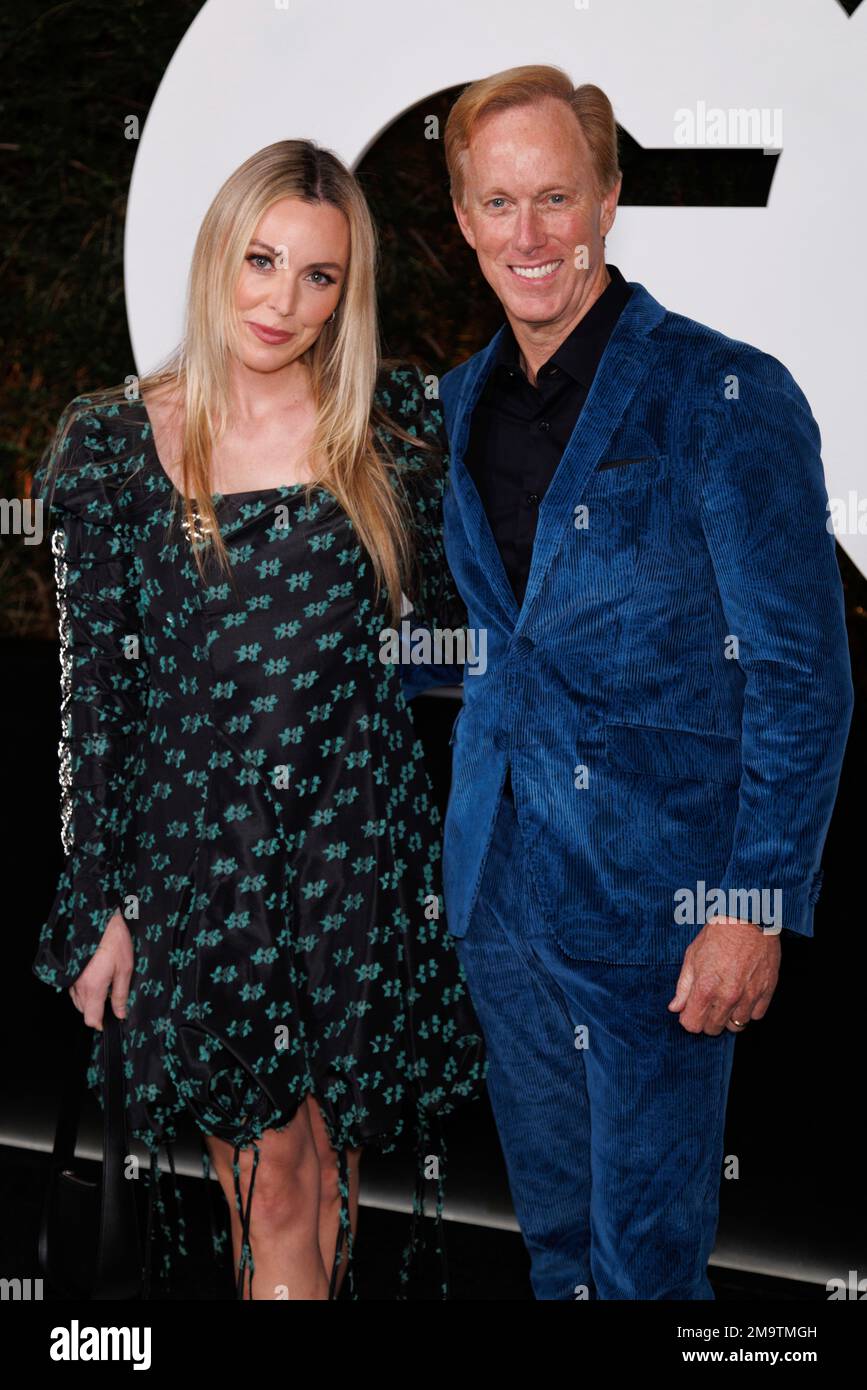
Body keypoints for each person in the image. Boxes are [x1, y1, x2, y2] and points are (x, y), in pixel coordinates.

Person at [31, 138, 485, 1301]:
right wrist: (100, 900)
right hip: (205, 870)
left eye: (320, 276)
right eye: (262, 260)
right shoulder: (113, 446)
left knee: (323, 1177)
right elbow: (96, 699)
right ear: (217, 258)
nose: (284, 301)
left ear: (349, 293)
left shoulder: (389, 435)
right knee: (269, 1179)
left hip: (357, 857)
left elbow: (471, 623)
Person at [436, 65, 854, 1299]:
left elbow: (801, 673)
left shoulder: (725, 394)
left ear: (611, 200)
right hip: (502, 894)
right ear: (463, 218)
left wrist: (755, 901)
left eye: (557, 197)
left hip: (665, 913)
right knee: (557, 1250)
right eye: (499, 203)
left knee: (649, 1268)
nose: (530, 235)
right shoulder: (462, 402)